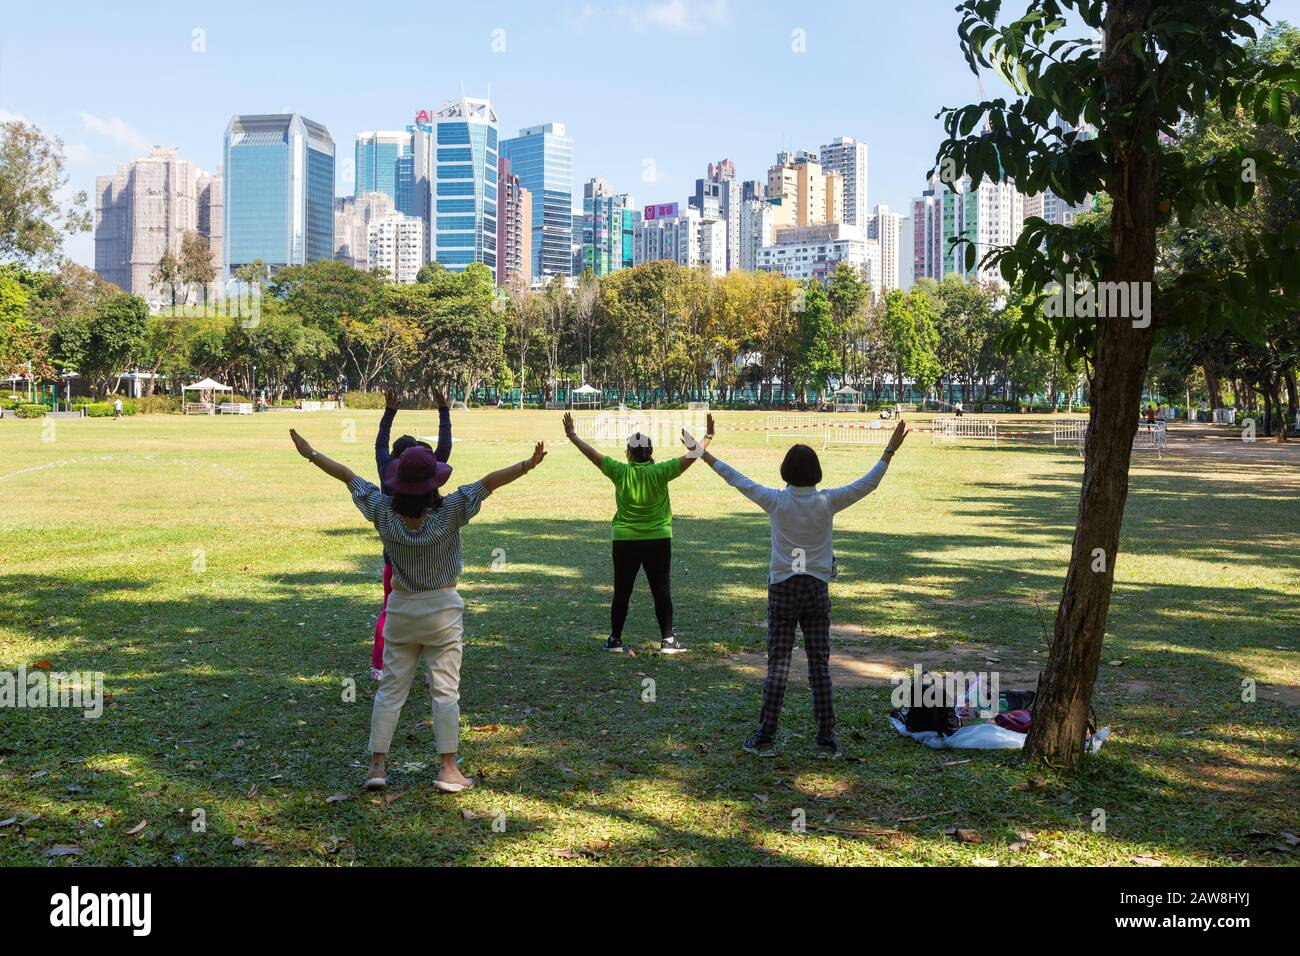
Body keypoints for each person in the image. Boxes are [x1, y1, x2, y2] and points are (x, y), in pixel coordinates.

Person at [289, 427, 547, 793]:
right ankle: (448, 770)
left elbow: (347, 475)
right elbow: (490, 482)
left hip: (401, 611)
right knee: (445, 691)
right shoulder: (452, 510)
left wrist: (311, 452)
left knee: (390, 691)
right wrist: (528, 464)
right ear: (433, 483)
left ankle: (377, 766)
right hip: (442, 610)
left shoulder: (382, 511)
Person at [682, 419, 908, 759]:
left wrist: (700, 452)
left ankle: (765, 739)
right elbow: (869, 482)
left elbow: (734, 478)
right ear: (816, 472)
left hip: (783, 590)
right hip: (817, 590)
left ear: (785, 471)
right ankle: (826, 741)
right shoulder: (827, 501)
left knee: (778, 666)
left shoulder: (776, 501)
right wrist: (889, 449)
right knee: (820, 667)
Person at [562, 411, 713, 654]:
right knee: (661, 590)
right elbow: (692, 456)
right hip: (658, 539)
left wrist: (572, 435)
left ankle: (615, 640)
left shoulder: (620, 471)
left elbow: (591, 455)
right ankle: (668, 640)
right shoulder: (661, 471)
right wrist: (707, 437)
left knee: (622, 591)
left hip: (625, 540)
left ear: (629, 452)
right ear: (650, 453)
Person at [370, 387, 452, 681]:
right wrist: (444, 410)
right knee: (434, 612)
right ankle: (434, 669)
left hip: (394, 556)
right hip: (431, 556)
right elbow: (444, 448)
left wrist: (389, 411)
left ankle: (380, 665)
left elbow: (379, 443)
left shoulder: (386, 471)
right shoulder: (427, 473)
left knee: (389, 609)